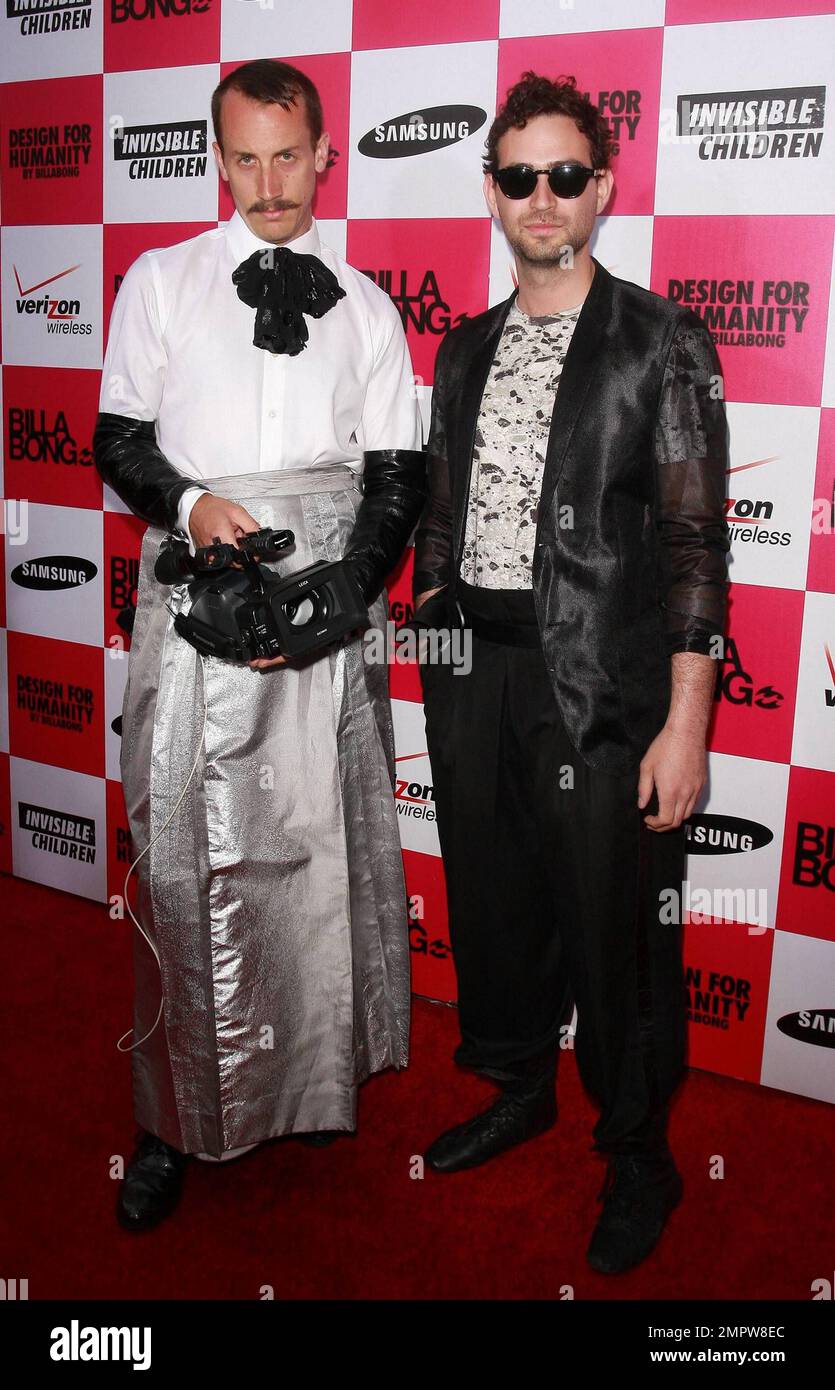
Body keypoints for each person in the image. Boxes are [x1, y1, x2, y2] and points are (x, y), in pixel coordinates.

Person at [94, 58, 424, 1232]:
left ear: (325, 153)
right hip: (197, 586)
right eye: (246, 156)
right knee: (184, 860)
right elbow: (120, 435)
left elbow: (396, 469)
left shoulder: (370, 304)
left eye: (290, 154)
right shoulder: (163, 282)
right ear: (218, 158)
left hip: (329, 604)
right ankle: (167, 1115)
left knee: (317, 857)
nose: (270, 180)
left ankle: (312, 1081)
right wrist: (189, 510)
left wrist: (348, 587)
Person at [412, 71, 730, 1274]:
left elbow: (698, 547)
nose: (539, 199)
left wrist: (686, 721)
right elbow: (439, 515)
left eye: (563, 175)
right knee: (493, 905)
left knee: (620, 936)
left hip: (602, 686)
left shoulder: (663, 341)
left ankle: (639, 1152)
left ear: (600, 186)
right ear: (491, 191)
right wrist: (435, 645)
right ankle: (516, 1087)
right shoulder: (462, 346)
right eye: (516, 176)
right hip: (474, 670)